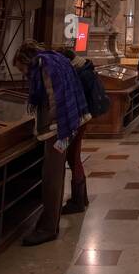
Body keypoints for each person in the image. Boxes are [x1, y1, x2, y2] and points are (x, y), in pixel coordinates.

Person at [15, 41, 90, 246]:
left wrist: (55, 128)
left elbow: (54, 97)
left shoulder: (44, 66)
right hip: (72, 120)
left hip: (60, 128)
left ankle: (48, 227)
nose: (24, 75)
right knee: (57, 172)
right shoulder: (57, 60)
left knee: (52, 177)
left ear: (25, 60)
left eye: (22, 69)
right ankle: (71, 204)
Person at [59, 46, 107, 215]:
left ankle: (78, 200)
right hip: (81, 117)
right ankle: (81, 198)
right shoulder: (84, 68)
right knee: (74, 157)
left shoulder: (78, 74)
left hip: (77, 118)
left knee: (73, 157)